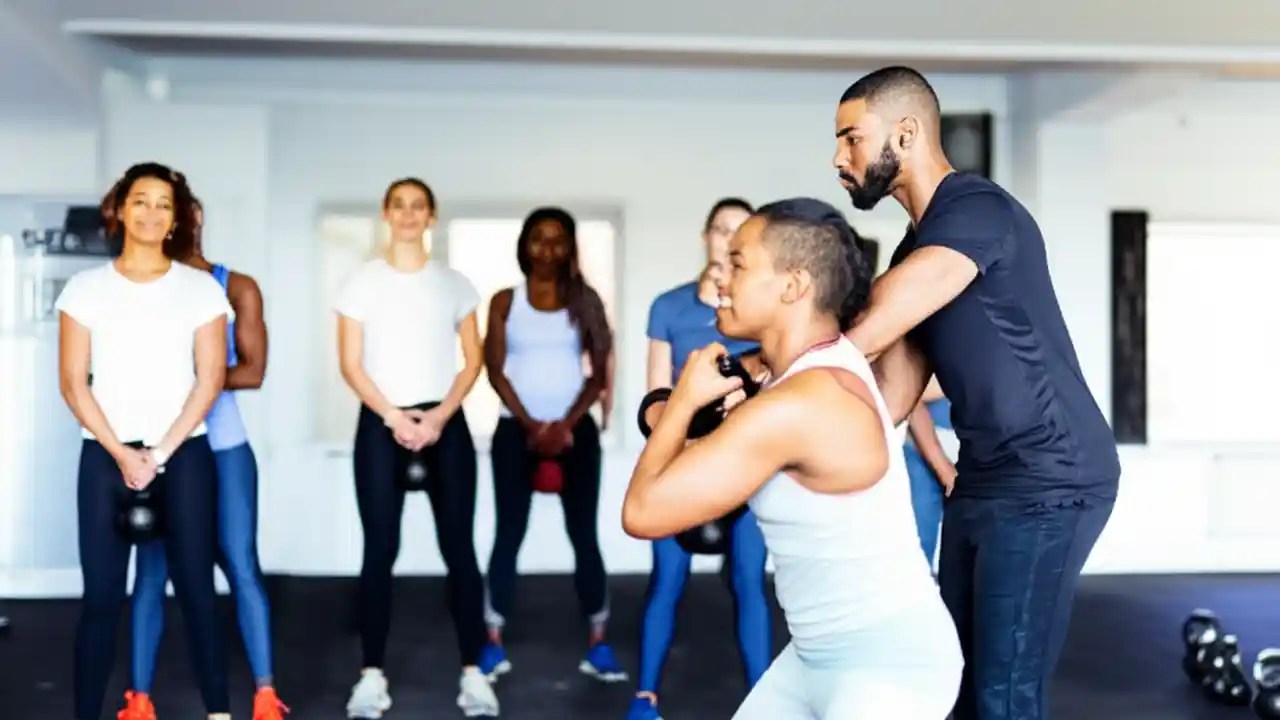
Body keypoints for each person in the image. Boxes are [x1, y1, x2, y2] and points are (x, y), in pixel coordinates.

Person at [833, 66, 1120, 719]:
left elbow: (868, 329)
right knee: (956, 684)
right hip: (983, 479)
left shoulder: (977, 210)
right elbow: (889, 399)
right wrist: (767, 423)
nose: (839, 158)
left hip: (1051, 477)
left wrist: (773, 368)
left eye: (852, 138)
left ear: (905, 134)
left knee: (1003, 698)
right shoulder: (914, 249)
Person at [623, 198, 963, 719]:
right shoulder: (812, 369)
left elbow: (643, 512)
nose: (720, 278)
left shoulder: (797, 404)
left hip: (886, 668)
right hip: (812, 658)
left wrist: (686, 398)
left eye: (738, 264)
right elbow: (685, 434)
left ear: (793, 285)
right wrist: (672, 407)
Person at [56, 162, 233, 720]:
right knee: (102, 600)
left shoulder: (201, 289)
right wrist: (121, 453)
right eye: (141, 201)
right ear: (120, 209)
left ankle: (219, 711)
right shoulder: (85, 289)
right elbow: (73, 382)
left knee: (197, 592)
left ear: (176, 218)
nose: (151, 213)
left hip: (182, 454)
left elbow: (211, 379)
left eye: (163, 203)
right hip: (105, 457)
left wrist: (157, 455)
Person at [117, 196, 288, 720]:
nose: (178, 223)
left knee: (240, 564)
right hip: (161, 451)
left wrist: (196, 380)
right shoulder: (142, 289)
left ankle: (265, 697)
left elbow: (253, 372)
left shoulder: (236, 287)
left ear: (196, 221)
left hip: (223, 446)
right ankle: (139, 701)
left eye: (186, 213)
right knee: (152, 573)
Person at [335, 177, 498, 718]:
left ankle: (474, 674)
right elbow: (351, 364)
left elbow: (473, 361)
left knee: (459, 550)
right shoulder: (361, 282)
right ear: (386, 214)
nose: (408, 214)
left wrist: (439, 417)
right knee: (379, 549)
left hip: (442, 422)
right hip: (381, 422)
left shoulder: (454, 284)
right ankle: (371, 677)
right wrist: (393, 417)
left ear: (431, 216)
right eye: (399, 206)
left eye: (418, 206)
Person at [627, 198, 772, 720]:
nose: (728, 239)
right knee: (667, 581)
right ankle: (645, 698)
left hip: (745, 465)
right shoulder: (668, 307)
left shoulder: (760, 314)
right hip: (682, 461)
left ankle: (764, 703)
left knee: (749, 582)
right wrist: (685, 448)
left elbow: (774, 388)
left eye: (740, 231)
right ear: (706, 237)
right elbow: (655, 401)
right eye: (720, 229)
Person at [479, 207, 626, 684]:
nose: (547, 248)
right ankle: (492, 641)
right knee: (509, 533)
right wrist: (531, 425)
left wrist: (565, 425)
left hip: (575, 432)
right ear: (524, 245)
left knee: (583, 535)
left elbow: (599, 372)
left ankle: (599, 643)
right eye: (538, 238)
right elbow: (494, 369)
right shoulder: (506, 301)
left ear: (570, 247)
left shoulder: (585, 300)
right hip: (515, 431)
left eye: (558, 238)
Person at [903, 378, 957, 565]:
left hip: (990, 457)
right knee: (917, 549)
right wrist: (943, 468)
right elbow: (905, 389)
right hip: (921, 449)